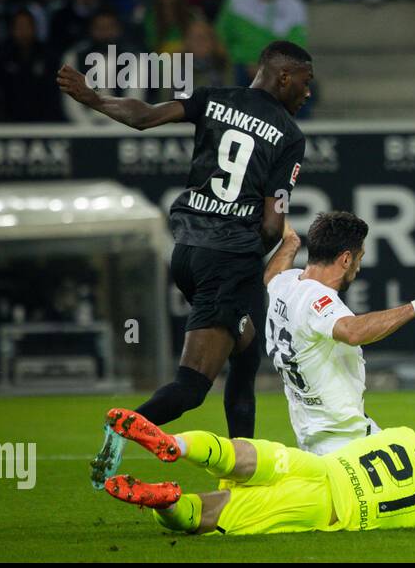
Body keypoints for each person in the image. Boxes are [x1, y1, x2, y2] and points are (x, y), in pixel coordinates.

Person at [57, 40, 311, 485]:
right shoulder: (288, 134)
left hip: (189, 250)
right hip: (229, 257)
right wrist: (255, 251)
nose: (308, 93)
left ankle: (241, 475)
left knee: (247, 352)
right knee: (193, 387)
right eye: (305, 83)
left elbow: (143, 117)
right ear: (284, 76)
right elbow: (273, 226)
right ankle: (123, 426)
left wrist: (95, 99)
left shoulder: (214, 98)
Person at [99, 407, 415, 534]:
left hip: (316, 466)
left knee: (235, 453)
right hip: (320, 507)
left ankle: (175, 443)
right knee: (209, 515)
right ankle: (167, 502)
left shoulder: (403, 435)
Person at [262, 211, 415, 454]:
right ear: (346, 259)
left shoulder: (285, 284)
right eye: (360, 258)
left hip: (317, 434)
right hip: (346, 444)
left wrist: (291, 241)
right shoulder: (317, 299)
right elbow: (352, 331)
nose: (358, 267)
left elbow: (271, 275)